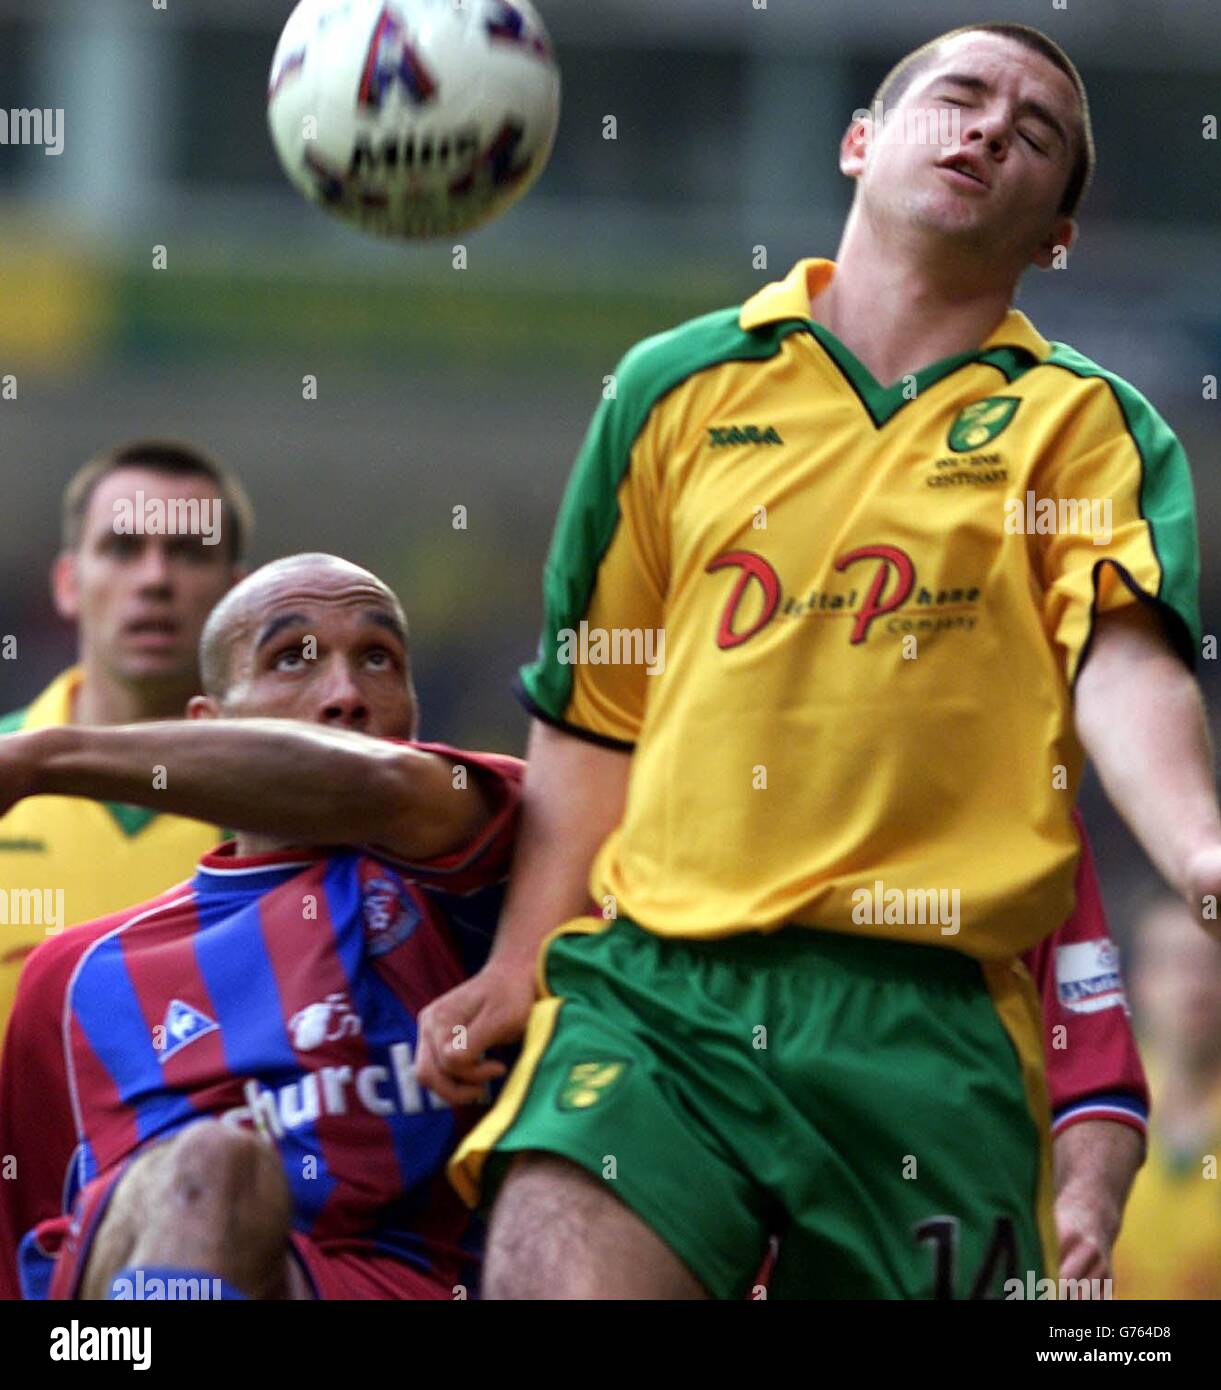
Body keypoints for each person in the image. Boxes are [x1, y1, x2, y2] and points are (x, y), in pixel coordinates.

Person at [417, 22, 1214, 1299]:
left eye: (1037, 132)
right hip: (660, 986)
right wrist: (521, 960)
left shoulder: (1089, 426)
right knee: (552, 1263)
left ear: (1055, 236)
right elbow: (593, 714)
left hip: (934, 1028)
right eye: (959, 97)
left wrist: (1200, 851)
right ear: (860, 142)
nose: (992, 127)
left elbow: (1120, 664)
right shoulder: (669, 388)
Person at [0, 553, 521, 1300]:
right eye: (291, 660)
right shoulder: (75, 979)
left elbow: (371, 783)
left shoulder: (497, 856)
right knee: (209, 1170)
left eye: (378, 659)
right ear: (206, 728)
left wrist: (35, 760)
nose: (345, 695)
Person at [0, 440, 253, 1049]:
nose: (155, 578)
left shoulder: (291, 803)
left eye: (188, 553)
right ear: (67, 582)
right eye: (122, 548)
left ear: (237, 597)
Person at [1112, 898, 1221, 1299]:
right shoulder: (1092, 1115)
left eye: (1213, 964)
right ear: (1137, 981)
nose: (1196, 987)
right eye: (1174, 963)